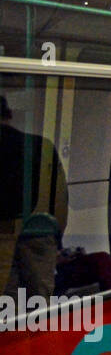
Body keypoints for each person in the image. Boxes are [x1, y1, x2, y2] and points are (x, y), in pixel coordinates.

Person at [1, 94, 69, 298]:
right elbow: (59, 199)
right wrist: (56, 236)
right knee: (39, 298)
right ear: (10, 114)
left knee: (7, 299)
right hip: (39, 231)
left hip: (2, 234)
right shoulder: (42, 145)